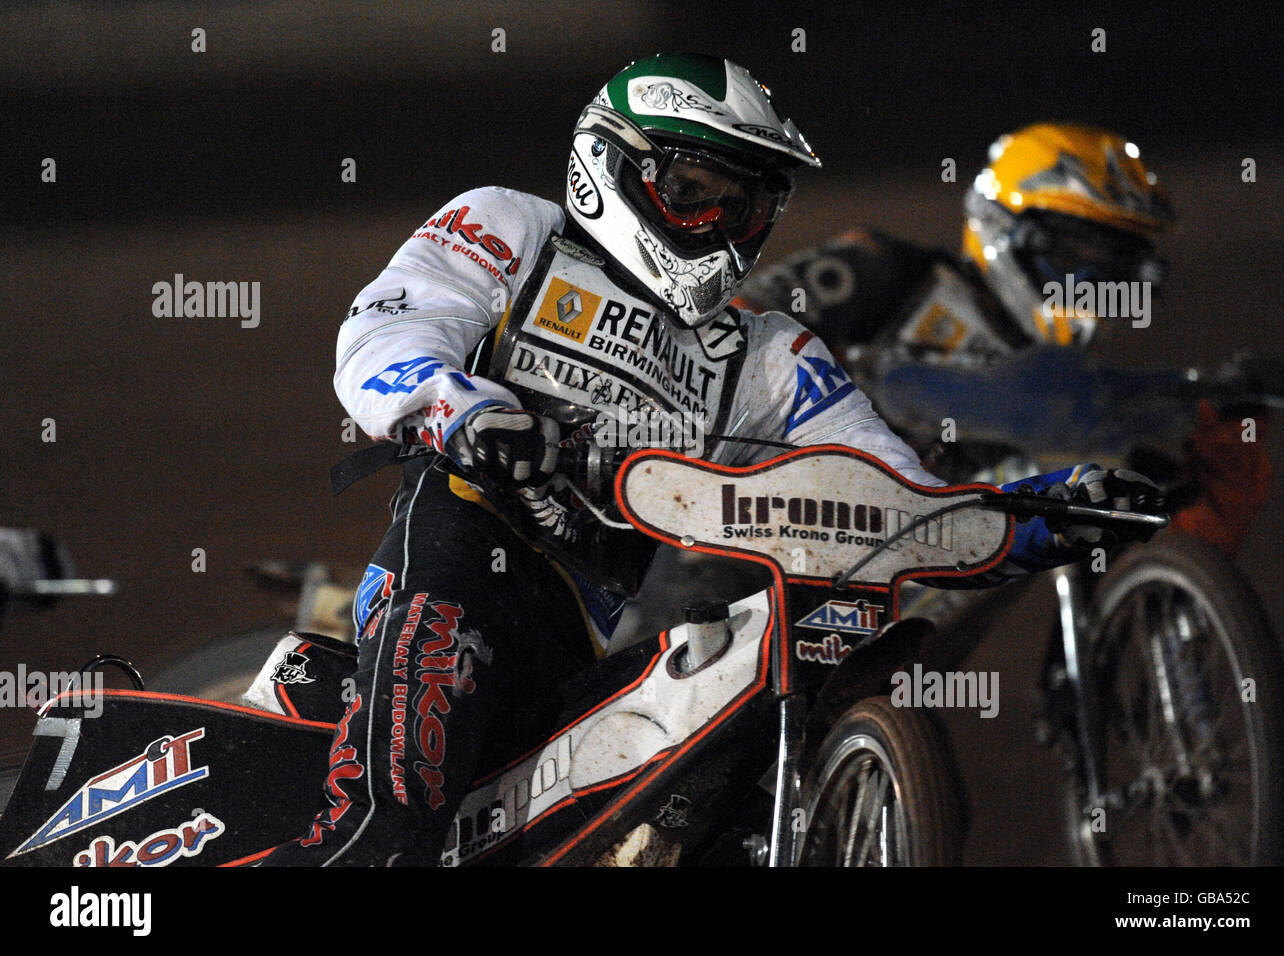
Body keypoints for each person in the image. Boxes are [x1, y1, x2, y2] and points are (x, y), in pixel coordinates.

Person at [264, 57, 1161, 866]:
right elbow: (385, 332)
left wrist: (1042, 515)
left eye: (749, 207)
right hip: (457, 559)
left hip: (590, 631)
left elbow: (896, 496)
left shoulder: (766, 352)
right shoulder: (512, 224)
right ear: (610, 168)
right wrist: (465, 410)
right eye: (695, 191)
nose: (725, 228)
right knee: (387, 835)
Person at [733, 123, 1276, 558]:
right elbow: (735, 323)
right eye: (1078, 257)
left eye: (1119, 269)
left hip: (915, 569)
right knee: (715, 571)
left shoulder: (1066, 391)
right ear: (1005, 230)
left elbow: (1189, 554)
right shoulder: (887, 269)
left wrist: (1211, 467)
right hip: (781, 524)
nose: (1092, 287)